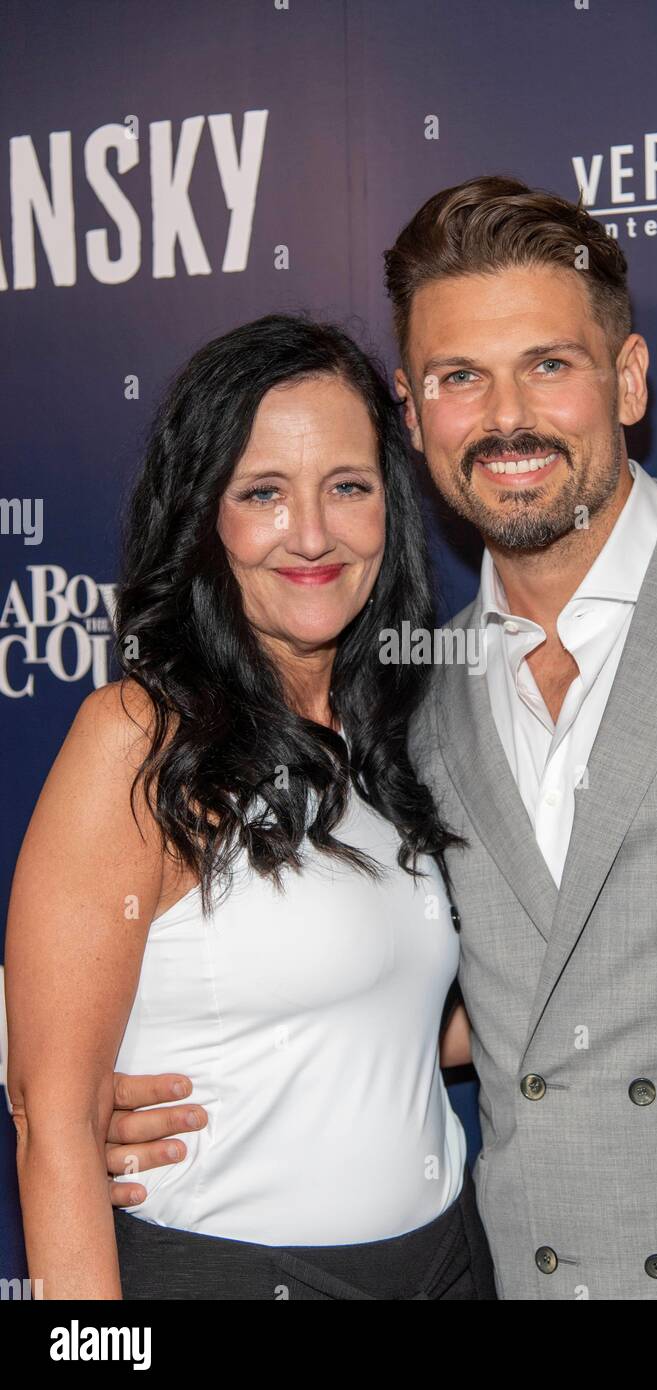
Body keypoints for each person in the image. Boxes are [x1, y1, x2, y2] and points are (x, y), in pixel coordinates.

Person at [67, 176, 657, 1300]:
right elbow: (477, 984)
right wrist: (71, 1074)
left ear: (626, 380)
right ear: (411, 408)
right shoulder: (404, 701)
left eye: (548, 364)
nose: (504, 419)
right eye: (458, 379)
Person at [5, 313, 497, 1300]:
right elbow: (54, 1119)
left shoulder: (401, 723)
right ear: (204, 516)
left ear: (387, 510)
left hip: (448, 1265)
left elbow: (405, 1016)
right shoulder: (139, 738)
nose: (311, 534)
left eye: (346, 488)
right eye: (263, 492)